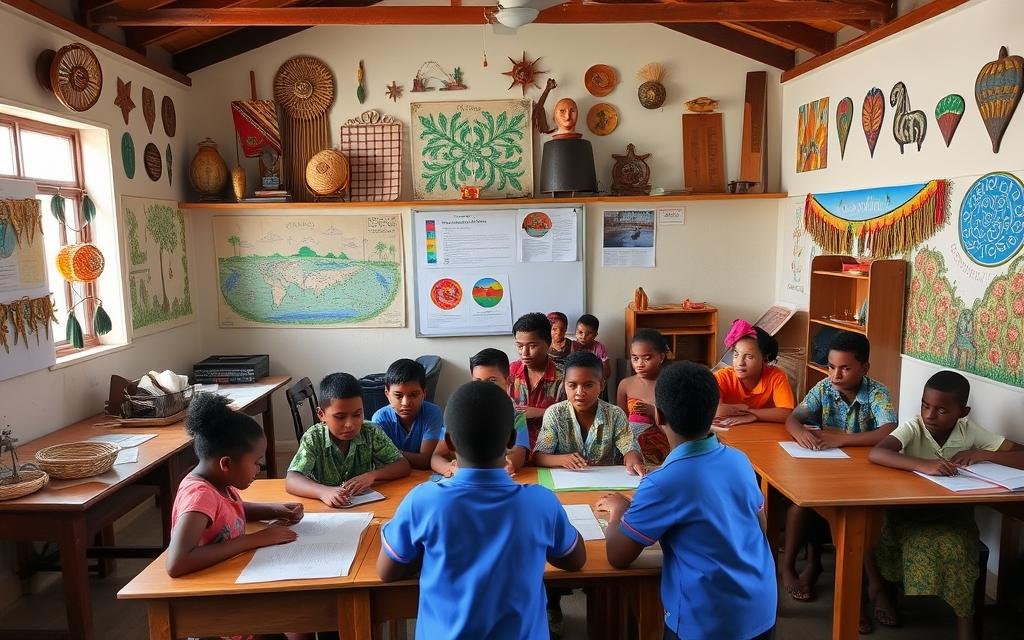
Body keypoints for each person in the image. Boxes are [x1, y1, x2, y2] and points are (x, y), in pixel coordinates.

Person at [377, 381, 586, 640]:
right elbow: (574, 560)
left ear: (449, 442)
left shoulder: (423, 501)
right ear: (511, 439)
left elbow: (387, 571)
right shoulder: (541, 502)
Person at [596, 361, 777, 640]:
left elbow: (617, 556)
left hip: (706, 620)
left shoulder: (662, 482)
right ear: (714, 410)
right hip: (760, 609)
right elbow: (760, 525)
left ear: (659, 416)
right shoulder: (740, 460)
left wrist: (619, 511)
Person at [867, 371, 1024, 639]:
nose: (929, 415)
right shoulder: (914, 426)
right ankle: (885, 593)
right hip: (909, 513)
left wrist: (981, 453)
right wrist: (923, 465)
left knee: (961, 549)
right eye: (925, 405)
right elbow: (877, 452)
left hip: (952, 515)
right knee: (889, 540)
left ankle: (966, 626)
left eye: (941, 410)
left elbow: (1019, 453)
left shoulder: (968, 430)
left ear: (963, 412)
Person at [168, 394, 309, 640]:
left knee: (302, 615)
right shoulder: (199, 495)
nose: (259, 468)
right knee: (300, 614)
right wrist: (255, 539)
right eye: (256, 462)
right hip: (214, 610)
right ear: (226, 463)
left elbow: (232, 510)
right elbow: (177, 562)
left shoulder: (220, 483)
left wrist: (274, 510)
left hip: (235, 584)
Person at [782, 331, 897, 606]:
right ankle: (790, 567)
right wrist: (800, 434)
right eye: (831, 367)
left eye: (845, 368)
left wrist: (843, 438)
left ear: (865, 367)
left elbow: (889, 430)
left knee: (857, 514)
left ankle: (868, 585)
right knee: (801, 504)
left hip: (865, 473)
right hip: (826, 469)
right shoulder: (823, 388)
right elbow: (793, 418)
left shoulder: (877, 392)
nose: (836, 374)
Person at [286, 372, 411, 507]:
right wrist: (323, 492)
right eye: (340, 416)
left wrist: (372, 476)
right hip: (324, 508)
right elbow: (292, 479)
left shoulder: (371, 432)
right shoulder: (314, 437)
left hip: (365, 507)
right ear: (321, 414)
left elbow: (402, 465)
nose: (350, 424)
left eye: (357, 414)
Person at [534, 351, 644, 474]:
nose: (580, 392)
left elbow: (629, 446)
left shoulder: (615, 414)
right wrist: (561, 459)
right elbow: (539, 457)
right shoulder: (555, 414)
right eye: (572, 385)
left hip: (606, 483)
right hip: (566, 482)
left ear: (602, 385)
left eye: (588, 385)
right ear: (564, 384)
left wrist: (633, 458)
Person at [431, 348, 531, 476]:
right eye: (477, 381)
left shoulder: (516, 415)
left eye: (492, 381)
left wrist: (510, 463)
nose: (484, 388)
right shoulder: (460, 412)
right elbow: (436, 456)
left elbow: (519, 453)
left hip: (498, 480)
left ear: (508, 381)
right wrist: (449, 467)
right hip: (463, 480)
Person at [714, 319, 795, 425]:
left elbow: (787, 414)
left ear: (765, 359)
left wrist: (752, 413)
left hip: (762, 433)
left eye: (749, 357)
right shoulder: (722, 378)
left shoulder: (775, 376)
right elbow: (714, 411)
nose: (740, 363)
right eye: (736, 355)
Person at [371, 358, 443, 470]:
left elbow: (426, 461)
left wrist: (389, 453)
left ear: (424, 393)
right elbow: (379, 462)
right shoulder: (380, 419)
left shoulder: (432, 413)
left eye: (413, 395)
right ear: (387, 394)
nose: (405, 403)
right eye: (398, 396)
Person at [508, 312, 566, 448]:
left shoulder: (564, 377)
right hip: (514, 447)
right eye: (520, 346)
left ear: (548, 343)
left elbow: (575, 415)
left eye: (532, 346)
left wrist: (541, 412)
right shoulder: (510, 371)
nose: (524, 353)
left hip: (552, 450)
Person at [616, 328, 671, 465]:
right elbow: (620, 422)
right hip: (630, 446)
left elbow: (676, 426)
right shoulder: (625, 384)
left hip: (661, 447)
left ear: (661, 357)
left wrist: (653, 412)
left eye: (647, 358)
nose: (639, 364)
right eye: (635, 358)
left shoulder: (669, 385)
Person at [571, 314, 610, 381]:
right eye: (580, 332)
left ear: (595, 335)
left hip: (593, 381)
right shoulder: (571, 345)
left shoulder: (599, 348)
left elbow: (606, 374)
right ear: (575, 331)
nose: (583, 337)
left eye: (588, 334)